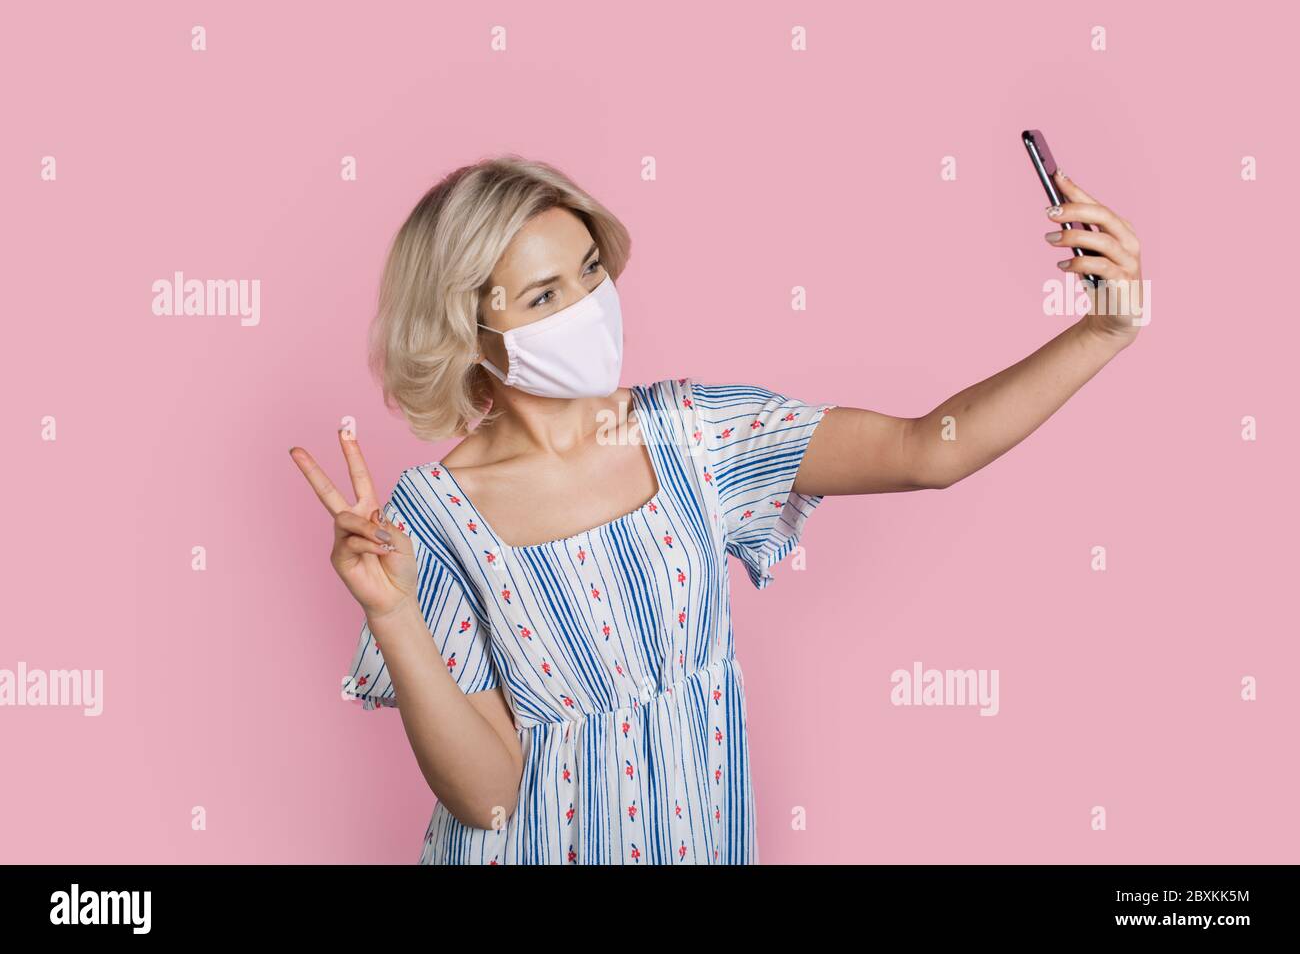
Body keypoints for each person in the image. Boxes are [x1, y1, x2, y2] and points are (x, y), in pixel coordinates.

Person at [288, 154, 1144, 864]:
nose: (588, 308)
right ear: (470, 331)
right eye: (545, 297)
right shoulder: (437, 515)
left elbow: (930, 449)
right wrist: (396, 616)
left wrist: (1104, 331)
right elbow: (486, 799)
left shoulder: (694, 432)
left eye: (590, 271)